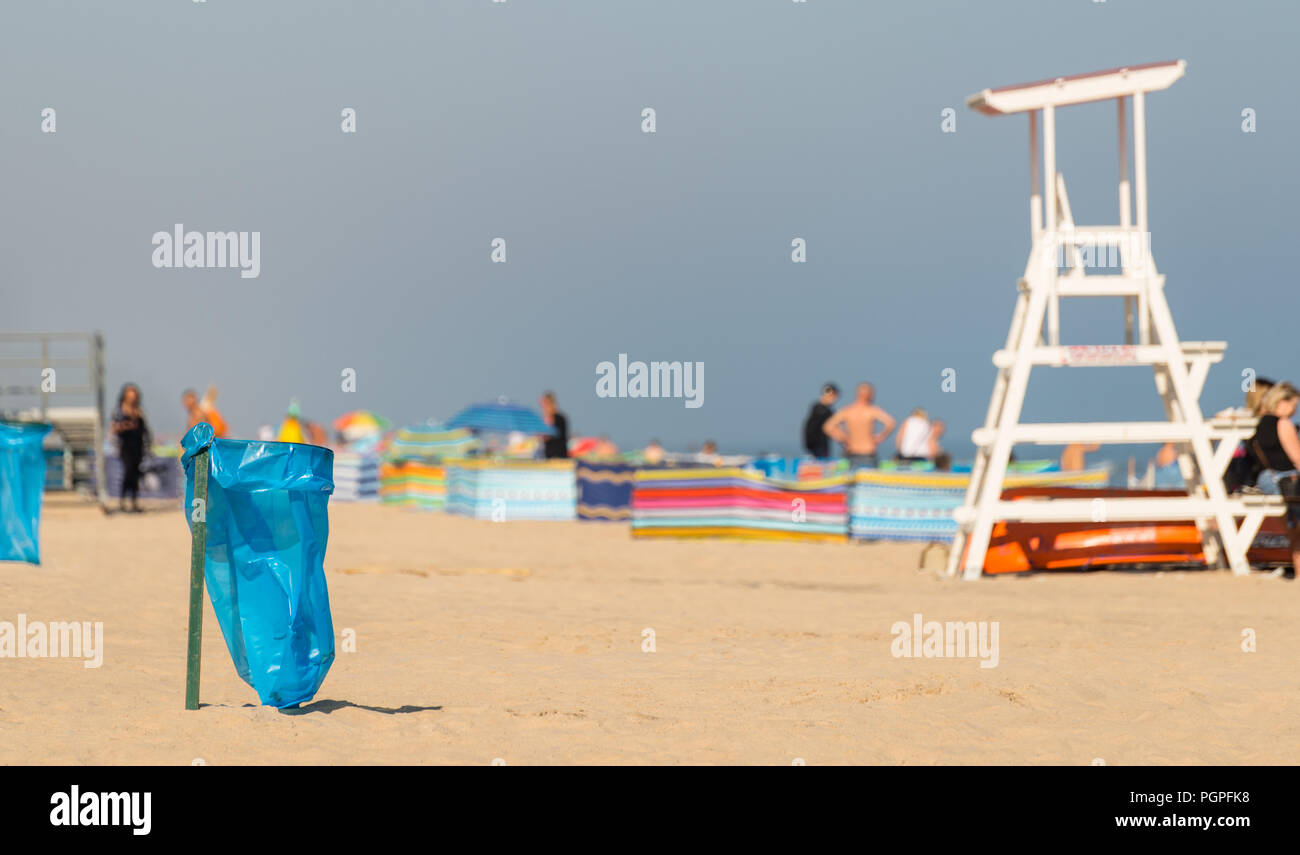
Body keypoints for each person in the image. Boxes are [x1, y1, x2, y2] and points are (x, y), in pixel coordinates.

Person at [1248, 382, 1300, 577]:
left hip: (1267, 478)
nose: (1294, 410)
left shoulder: (1261, 424)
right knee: (1297, 529)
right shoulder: (1283, 423)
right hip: (1287, 478)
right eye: (1294, 404)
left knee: (1293, 530)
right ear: (1282, 401)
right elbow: (1296, 457)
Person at [823, 382, 896, 469]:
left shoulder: (847, 411)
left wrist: (843, 438)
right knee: (870, 480)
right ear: (869, 395)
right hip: (868, 453)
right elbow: (891, 423)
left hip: (851, 452)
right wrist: (880, 437)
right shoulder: (872, 410)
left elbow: (827, 427)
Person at [110, 383, 150, 513]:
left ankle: (134, 502)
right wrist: (126, 426)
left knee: (135, 474)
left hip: (137, 446)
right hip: (125, 446)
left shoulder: (139, 411)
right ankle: (122, 501)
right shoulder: (119, 410)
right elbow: (113, 428)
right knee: (128, 472)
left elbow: (145, 430)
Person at [802, 383, 839, 459]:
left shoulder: (818, 408)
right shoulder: (822, 410)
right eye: (834, 395)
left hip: (817, 446)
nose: (835, 398)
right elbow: (830, 428)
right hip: (818, 446)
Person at [540, 391, 569, 459]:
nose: (544, 408)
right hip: (550, 457)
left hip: (558, 457)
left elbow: (547, 436)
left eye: (545, 405)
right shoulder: (553, 418)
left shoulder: (559, 419)